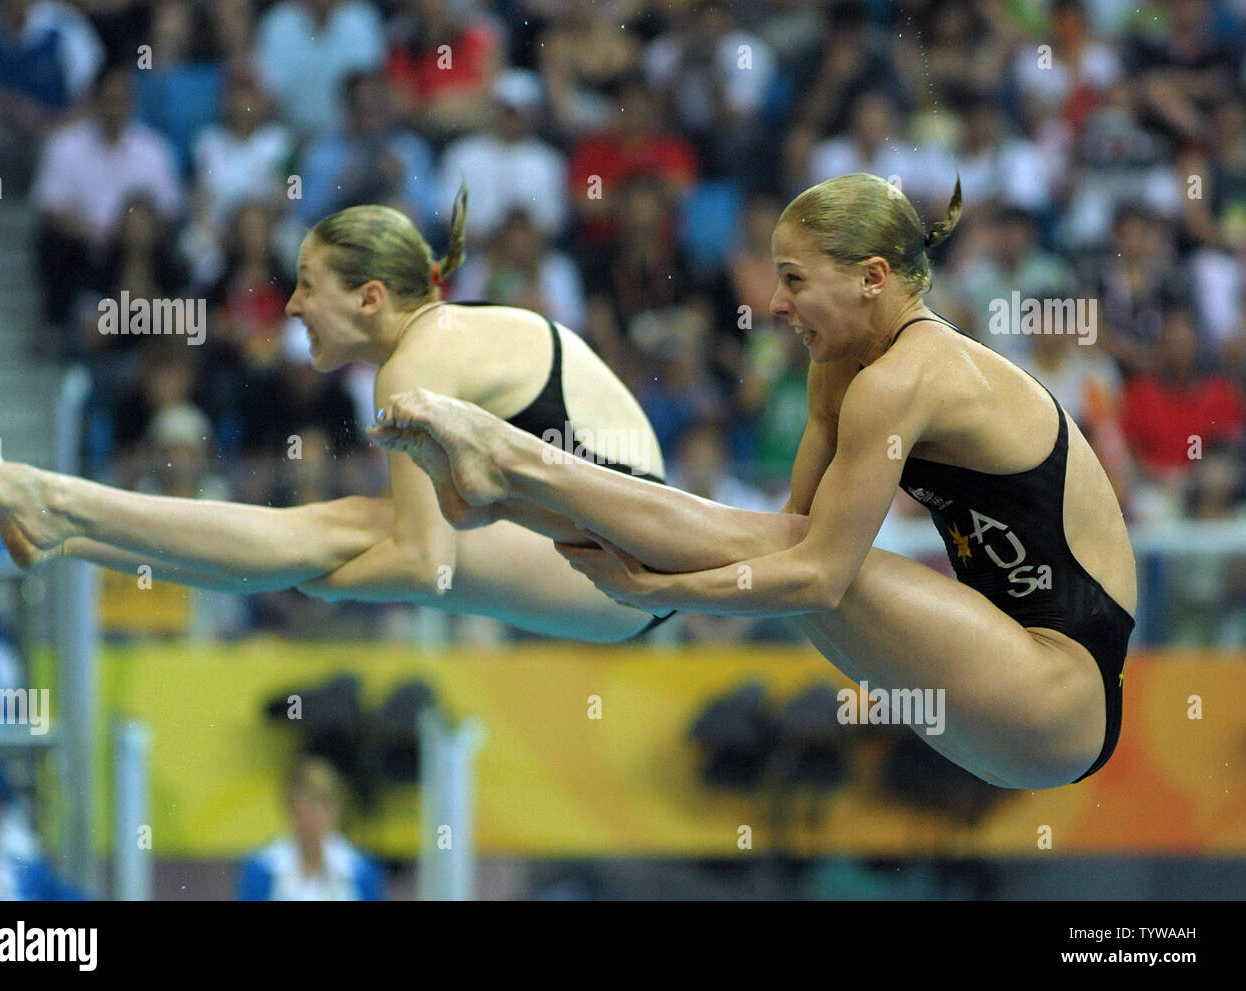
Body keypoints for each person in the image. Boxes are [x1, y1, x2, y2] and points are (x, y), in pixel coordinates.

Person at [370, 173, 1138, 791]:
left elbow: (817, 575)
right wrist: (657, 578)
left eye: (796, 280)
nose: (774, 305)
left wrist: (663, 592)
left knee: (779, 556)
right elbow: (782, 537)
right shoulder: (841, 364)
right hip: (998, 692)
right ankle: (506, 491)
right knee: (756, 542)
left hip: (1061, 697)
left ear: (873, 278)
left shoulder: (908, 376)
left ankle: (514, 460)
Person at [0, 186, 672, 644]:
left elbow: (426, 567)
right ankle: (67, 537)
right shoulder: (444, 342)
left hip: (629, 556)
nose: (291, 307)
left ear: (369, 298)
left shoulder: (419, 361)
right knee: (323, 535)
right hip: (616, 544)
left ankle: (61, 503)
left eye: (306, 285)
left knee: (339, 530)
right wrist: (291, 563)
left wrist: (302, 575)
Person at [236, 756, 382, 901]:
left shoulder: (360, 871)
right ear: (290, 808)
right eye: (305, 805)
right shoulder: (262, 868)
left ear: (337, 810)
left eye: (321, 803)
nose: (312, 814)